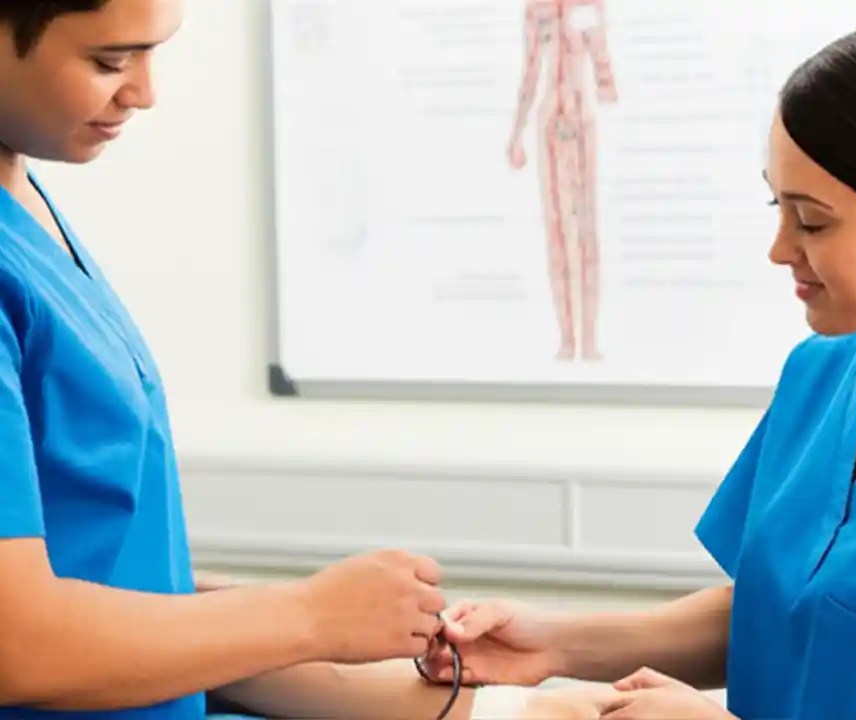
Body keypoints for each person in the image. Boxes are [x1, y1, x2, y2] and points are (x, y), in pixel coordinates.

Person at [424, 13, 856, 720]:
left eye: (813, 221)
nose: (779, 248)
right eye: (778, 206)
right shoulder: (824, 375)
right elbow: (786, 617)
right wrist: (553, 645)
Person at [0, 1, 497, 717]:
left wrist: (483, 708)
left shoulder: (25, 202)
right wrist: (309, 615)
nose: (145, 92)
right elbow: (20, 645)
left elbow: (105, 566)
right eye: (109, 61)